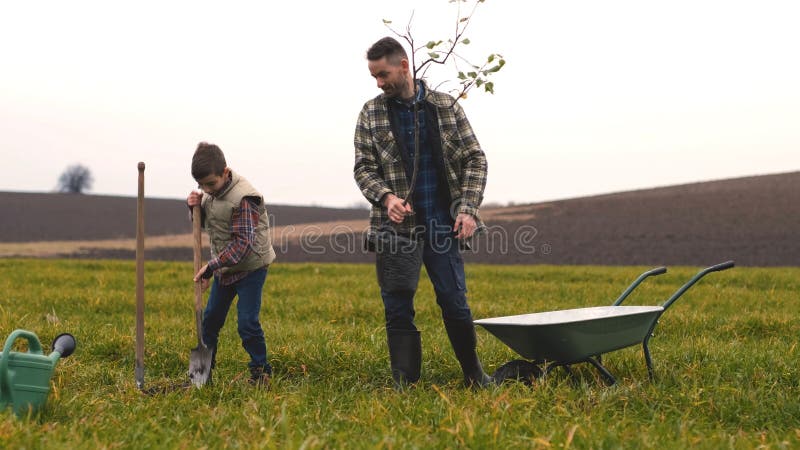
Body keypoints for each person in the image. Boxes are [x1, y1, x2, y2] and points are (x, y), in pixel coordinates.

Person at [353, 37, 493, 388]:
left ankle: (474, 375)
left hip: (443, 227)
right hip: (395, 231)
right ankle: (405, 383)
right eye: (374, 77)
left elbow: (475, 158)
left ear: (404, 66)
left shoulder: (446, 107)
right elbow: (362, 168)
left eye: (383, 74)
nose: (379, 83)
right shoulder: (370, 113)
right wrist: (386, 198)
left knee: (454, 303)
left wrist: (468, 209)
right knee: (397, 306)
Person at [187, 142, 277, 386]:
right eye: (201, 185)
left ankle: (261, 373)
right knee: (210, 321)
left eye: (210, 184)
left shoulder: (244, 198)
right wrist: (194, 207)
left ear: (225, 173)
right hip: (225, 268)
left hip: (250, 268)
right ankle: (201, 376)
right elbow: (208, 222)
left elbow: (242, 245)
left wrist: (212, 266)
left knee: (247, 323)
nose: (207, 190)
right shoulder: (210, 194)